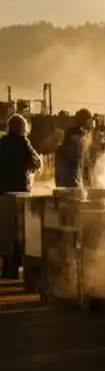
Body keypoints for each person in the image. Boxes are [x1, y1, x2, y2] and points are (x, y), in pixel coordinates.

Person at [0, 115, 40, 279]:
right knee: (20, 231)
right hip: (21, 192)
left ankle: (7, 267)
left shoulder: (1, 144)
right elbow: (36, 162)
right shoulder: (24, 143)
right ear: (23, 129)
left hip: (2, 193)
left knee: (5, 232)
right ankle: (17, 266)